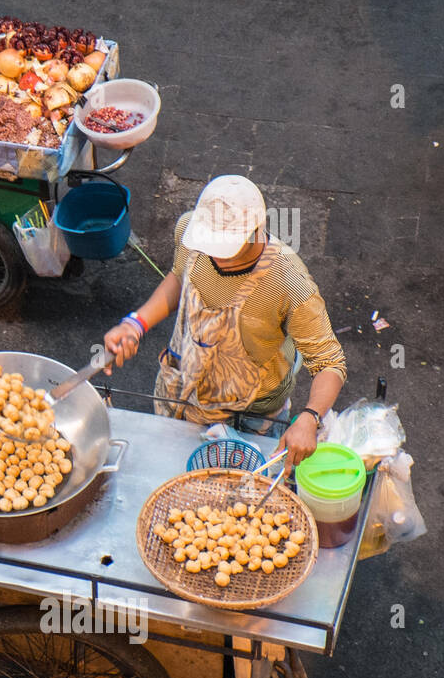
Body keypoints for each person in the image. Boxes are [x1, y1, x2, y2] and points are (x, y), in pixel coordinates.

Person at [102, 175, 346, 468]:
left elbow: (330, 363)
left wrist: (310, 417)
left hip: (248, 414)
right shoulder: (191, 232)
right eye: (210, 246)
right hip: (182, 387)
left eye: (225, 247)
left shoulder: (289, 283)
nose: (215, 254)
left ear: (257, 230)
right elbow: (179, 278)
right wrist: (135, 324)